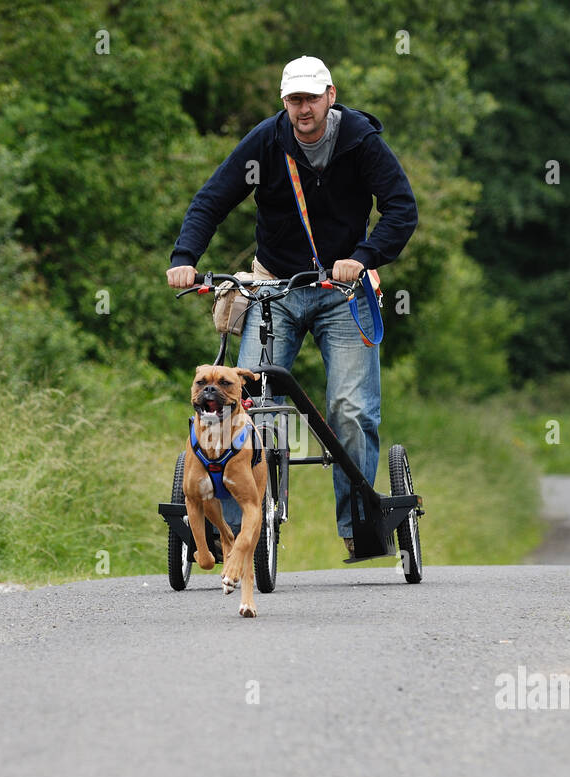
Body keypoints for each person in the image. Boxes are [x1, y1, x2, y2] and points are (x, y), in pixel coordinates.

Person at [166, 55, 418, 559]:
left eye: (311, 98)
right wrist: (185, 258)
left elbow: (401, 209)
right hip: (273, 288)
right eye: (293, 100)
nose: (303, 109)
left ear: (330, 95)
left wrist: (363, 258)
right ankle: (232, 530)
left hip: (341, 292)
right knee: (242, 403)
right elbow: (212, 199)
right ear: (285, 102)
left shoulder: (361, 143)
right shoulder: (266, 141)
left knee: (349, 409)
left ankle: (359, 526)